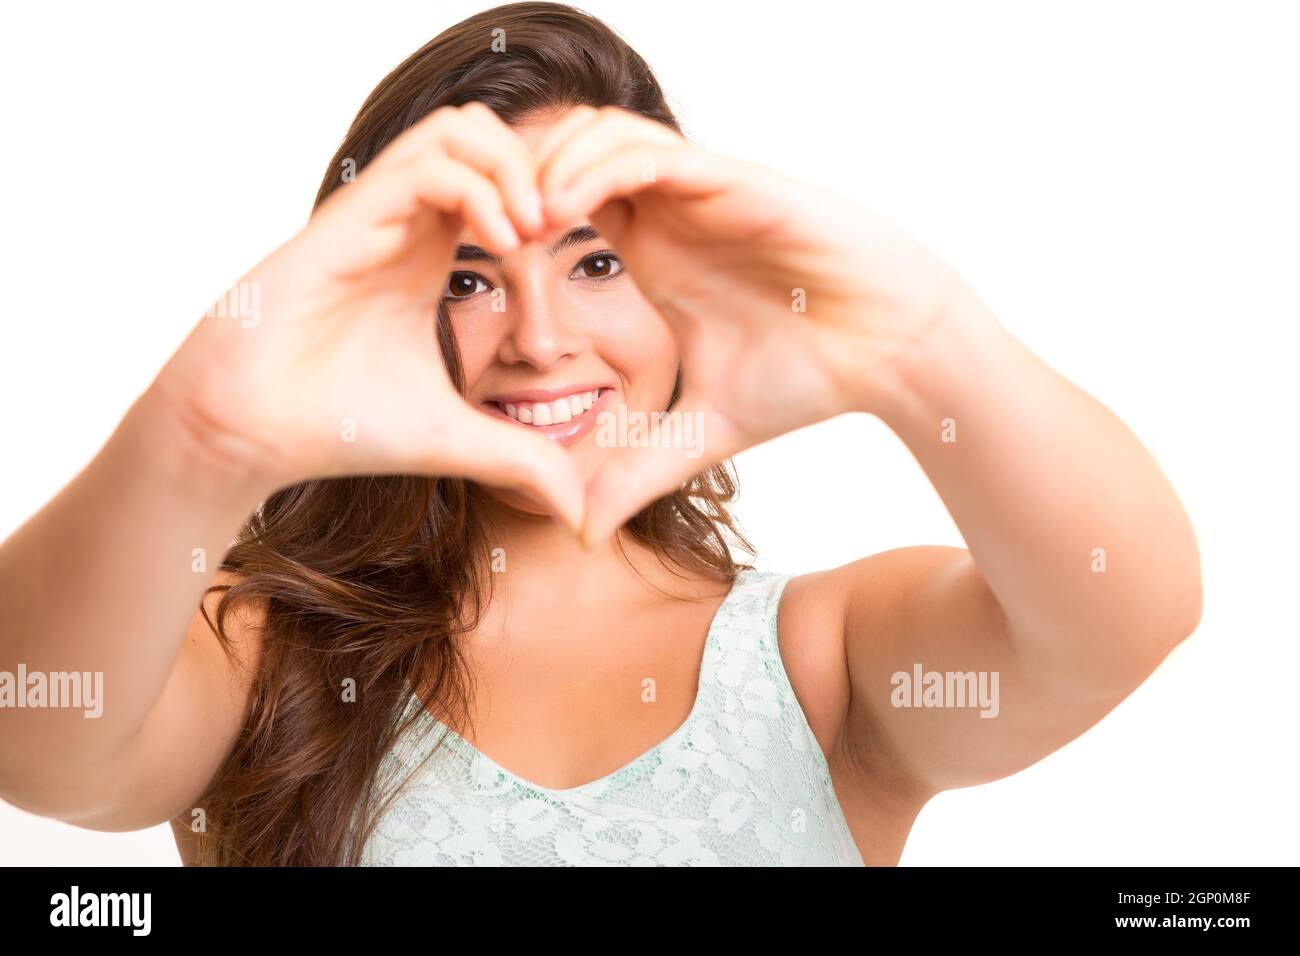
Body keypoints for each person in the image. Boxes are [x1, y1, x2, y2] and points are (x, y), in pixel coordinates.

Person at [0, 2, 1202, 866]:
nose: (537, 337)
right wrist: (197, 438)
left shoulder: (818, 654)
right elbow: (34, 740)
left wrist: (922, 341)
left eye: (599, 261)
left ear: (683, 286)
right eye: (470, 277)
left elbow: (1123, 616)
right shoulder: (256, 648)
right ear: (385, 310)